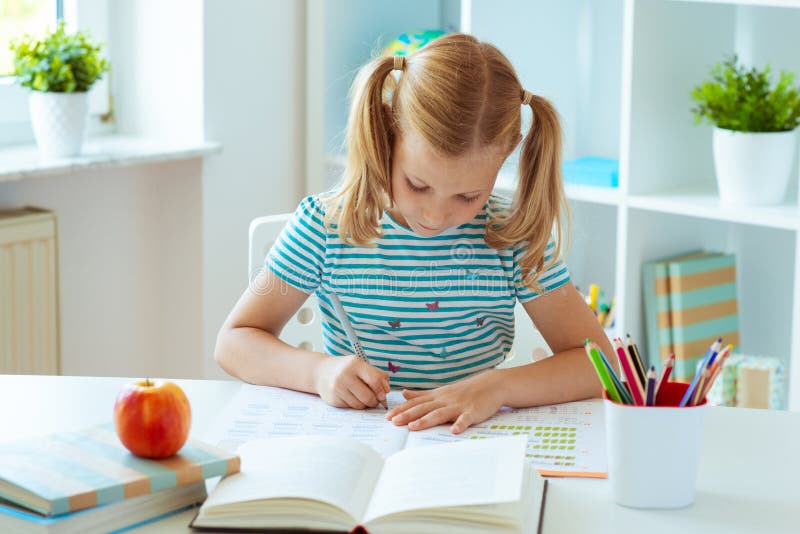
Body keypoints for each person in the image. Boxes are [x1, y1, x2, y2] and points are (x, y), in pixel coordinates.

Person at [215, 33, 615, 434]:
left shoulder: (513, 235)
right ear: (390, 132)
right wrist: (318, 373)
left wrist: (499, 386)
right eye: (418, 185)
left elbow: (600, 363)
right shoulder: (324, 226)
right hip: (362, 439)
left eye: (468, 195)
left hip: (470, 443)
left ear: (504, 159)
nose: (436, 215)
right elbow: (235, 343)